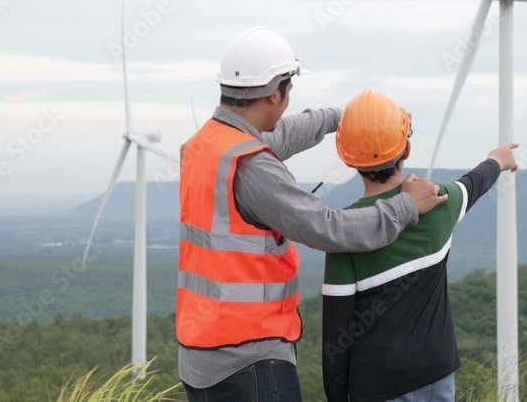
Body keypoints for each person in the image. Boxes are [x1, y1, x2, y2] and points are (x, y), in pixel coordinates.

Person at [177, 28, 447, 402]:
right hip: (248, 361)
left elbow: (285, 133)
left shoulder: (204, 146)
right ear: (276, 92)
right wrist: (406, 206)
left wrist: (348, 118)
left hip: (201, 354)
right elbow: (328, 229)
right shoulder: (252, 167)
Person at [322, 89, 518, 402]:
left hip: (375, 383)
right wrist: (497, 159)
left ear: (347, 158)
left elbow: (336, 333)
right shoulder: (440, 202)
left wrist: (336, 395)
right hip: (435, 375)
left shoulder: (344, 231)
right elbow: (475, 183)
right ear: (407, 148)